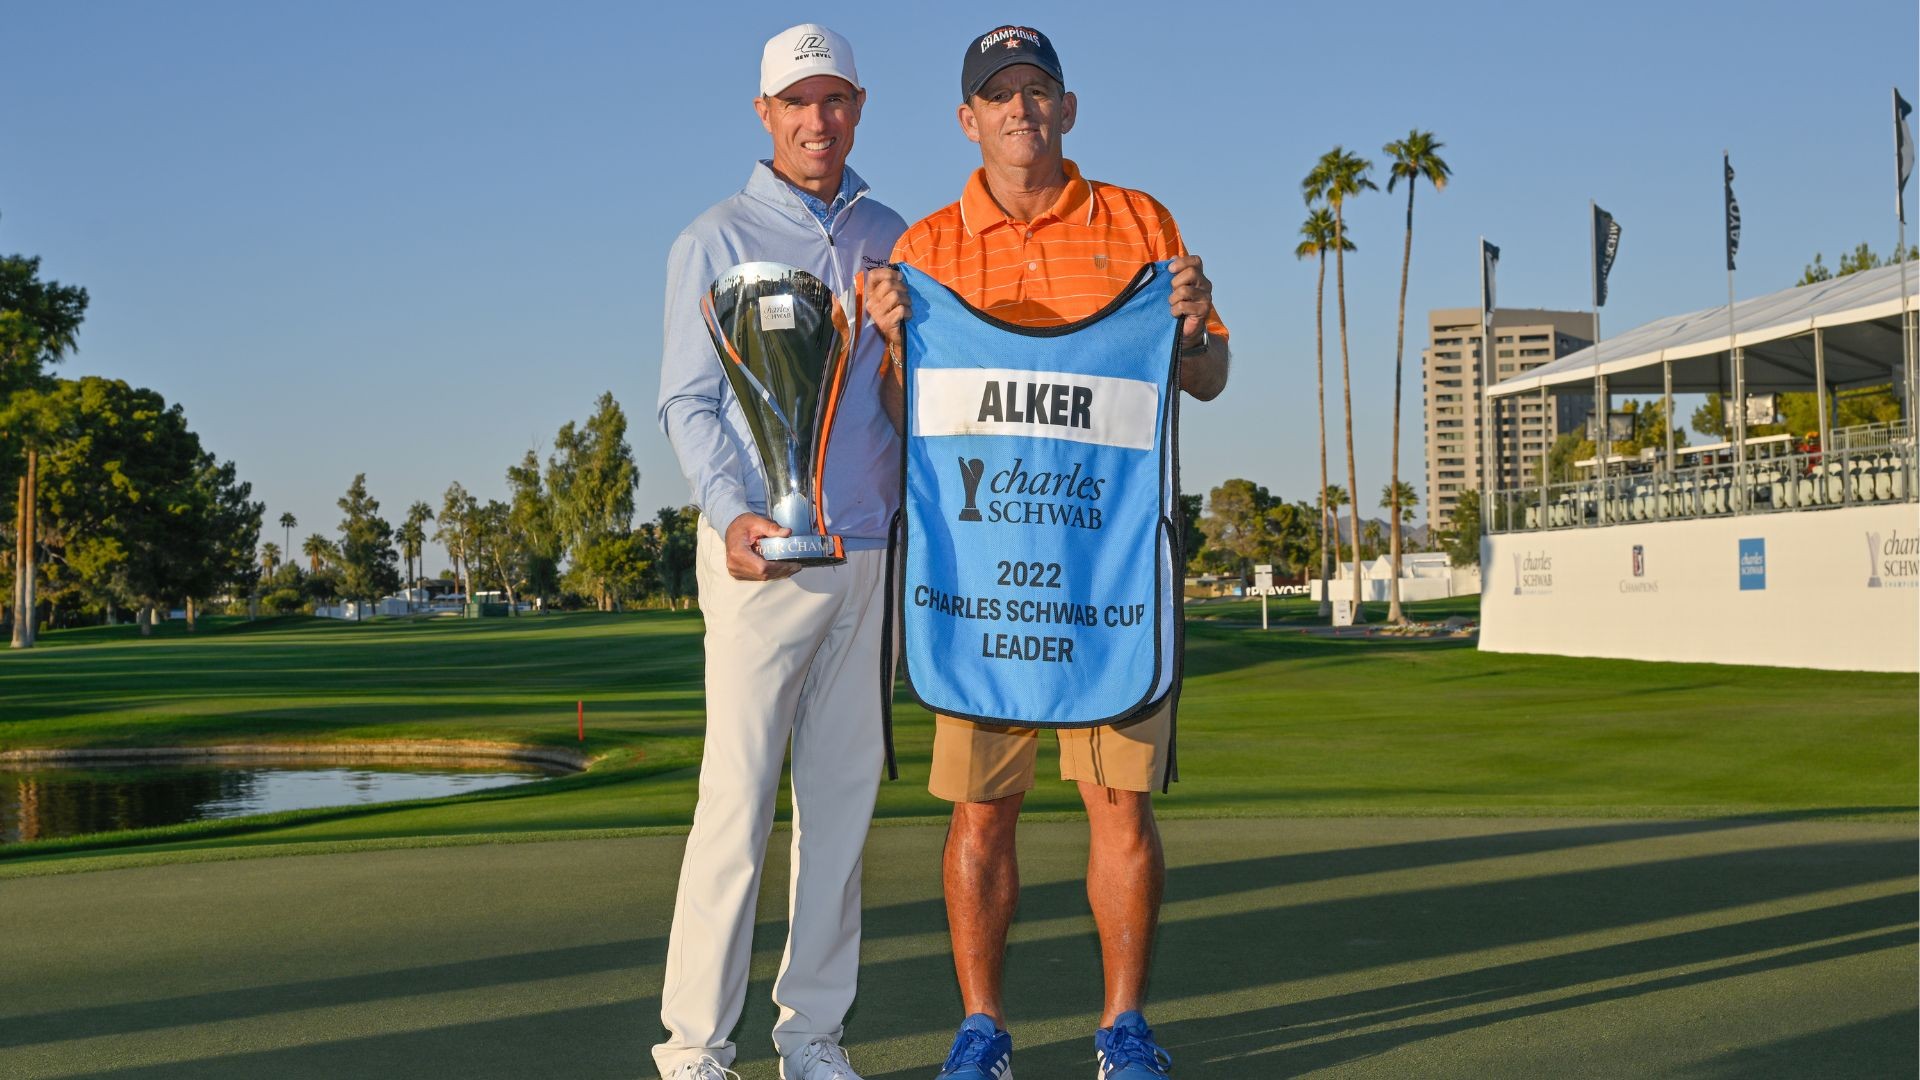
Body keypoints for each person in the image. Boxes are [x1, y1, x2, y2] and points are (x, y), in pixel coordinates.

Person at [867, 24, 1229, 1080]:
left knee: (1121, 807)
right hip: (979, 584)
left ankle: (1125, 1030)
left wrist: (1193, 328)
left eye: (1038, 90)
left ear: (1068, 109)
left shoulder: (1140, 222)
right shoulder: (926, 250)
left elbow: (1205, 378)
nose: (1021, 108)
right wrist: (892, 337)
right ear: (967, 119)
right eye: (1000, 94)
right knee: (981, 814)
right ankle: (982, 1030)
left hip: (1109, 574)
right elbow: (904, 415)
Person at [653, 23, 905, 1080]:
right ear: (764, 114)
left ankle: (812, 1039)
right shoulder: (713, 237)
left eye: (834, 98)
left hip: (869, 551)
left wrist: (901, 336)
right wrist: (729, 515)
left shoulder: (896, 233)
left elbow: (910, 400)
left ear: (858, 106)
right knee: (737, 805)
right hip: (762, 556)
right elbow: (686, 401)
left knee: (840, 814)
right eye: (797, 102)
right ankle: (696, 1048)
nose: (817, 120)